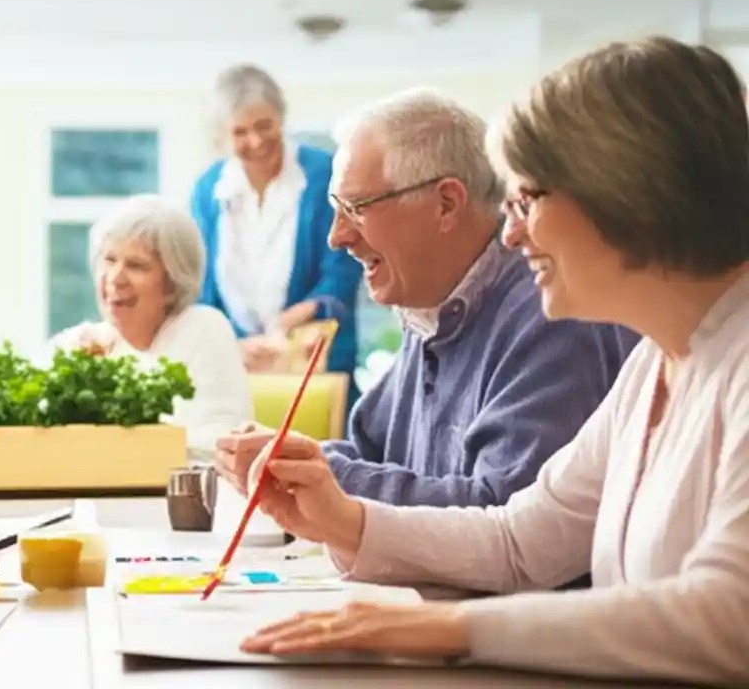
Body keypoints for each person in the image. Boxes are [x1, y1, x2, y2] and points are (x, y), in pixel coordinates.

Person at [235, 37, 749, 686]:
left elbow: (730, 617)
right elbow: (521, 538)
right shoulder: (657, 361)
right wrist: (347, 519)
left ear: (630, 197)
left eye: (528, 199)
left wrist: (448, 631)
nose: (510, 232)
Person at [215, 89, 636, 507]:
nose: (337, 236)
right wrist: (299, 462)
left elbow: (502, 519)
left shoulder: (549, 316)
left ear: (447, 204)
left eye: (357, 207)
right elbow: (368, 454)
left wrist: (317, 472)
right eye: (336, 209)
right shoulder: (432, 307)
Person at [190, 64, 362, 400]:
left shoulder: (325, 174)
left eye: (264, 125)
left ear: (281, 119)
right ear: (223, 135)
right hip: (238, 368)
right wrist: (233, 344)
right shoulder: (208, 190)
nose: (255, 141)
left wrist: (292, 320)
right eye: (240, 132)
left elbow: (343, 265)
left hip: (314, 366)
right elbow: (200, 285)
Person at [51, 195, 252, 461]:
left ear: (172, 283)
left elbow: (216, 447)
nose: (115, 278)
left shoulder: (204, 329)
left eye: (136, 265)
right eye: (109, 260)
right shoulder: (85, 342)